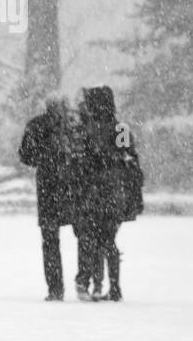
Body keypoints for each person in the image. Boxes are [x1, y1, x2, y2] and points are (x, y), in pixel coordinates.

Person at [73, 86, 143, 301]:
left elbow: (79, 160)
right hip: (115, 191)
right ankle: (113, 286)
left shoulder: (86, 129)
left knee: (89, 238)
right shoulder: (120, 129)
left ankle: (89, 282)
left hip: (92, 190)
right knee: (108, 240)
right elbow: (127, 157)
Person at [19, 95, 76, 301]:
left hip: (48, 187)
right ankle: (86, 281)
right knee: (86, 235)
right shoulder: (75, 125)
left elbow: (25, 155)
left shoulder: (36, 125)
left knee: (50, 239)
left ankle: (55, 288)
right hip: (75, 186)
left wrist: (44, 159)